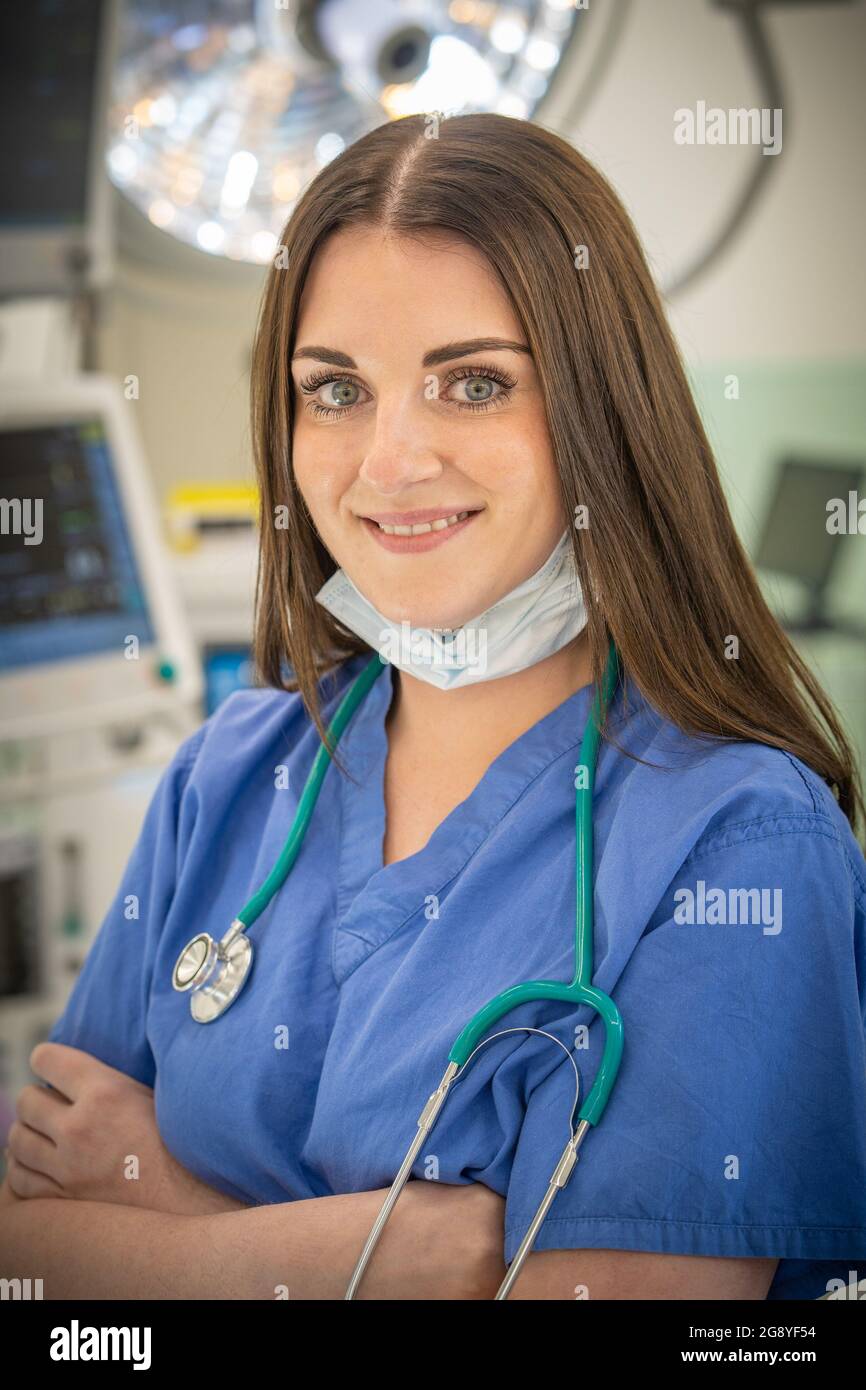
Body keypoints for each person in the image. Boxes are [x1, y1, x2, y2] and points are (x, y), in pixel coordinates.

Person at [2, 112, 865, 1302]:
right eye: (336, 389)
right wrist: (402, 1259)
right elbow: (29, 1260)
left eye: (471, 383)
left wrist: (166, 1236)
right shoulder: (232, 773)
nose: (389, 459)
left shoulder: (737, 844)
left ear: (601, 414)